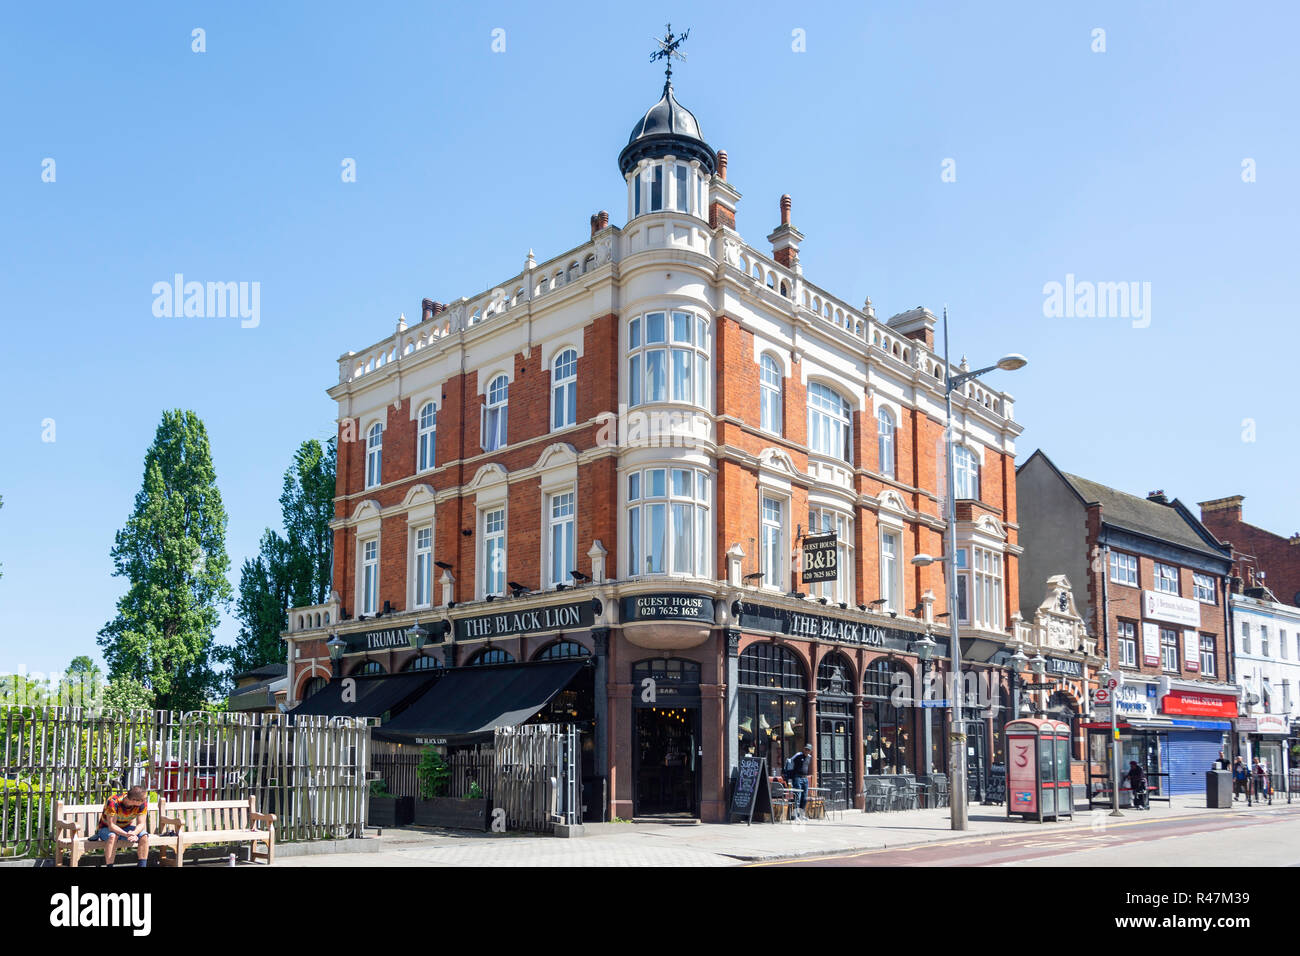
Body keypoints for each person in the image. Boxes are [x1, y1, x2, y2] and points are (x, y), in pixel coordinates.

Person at [96, 785, 151, 866]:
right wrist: (127, 834)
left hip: (125, 828)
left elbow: (141, 823)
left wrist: (134, 833)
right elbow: (111, 826)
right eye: (143, 799)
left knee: (144, 836)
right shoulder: (113, 801)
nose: (145, 800)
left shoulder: (142, 804)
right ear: (134, 800)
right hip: (106, 829)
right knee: (112, 836)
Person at [788, 744, 814, 819]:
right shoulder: (798, 755)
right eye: (806, 749)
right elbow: (790, 761)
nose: (807, 751)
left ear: (810, 751)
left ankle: (802, 815)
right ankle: (795, 815)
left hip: (805, 779)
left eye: (808, 750)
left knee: (804, 797)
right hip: (797, 778)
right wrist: (790, 775)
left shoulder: (809, 757)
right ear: (803, 749)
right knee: (797, 796)